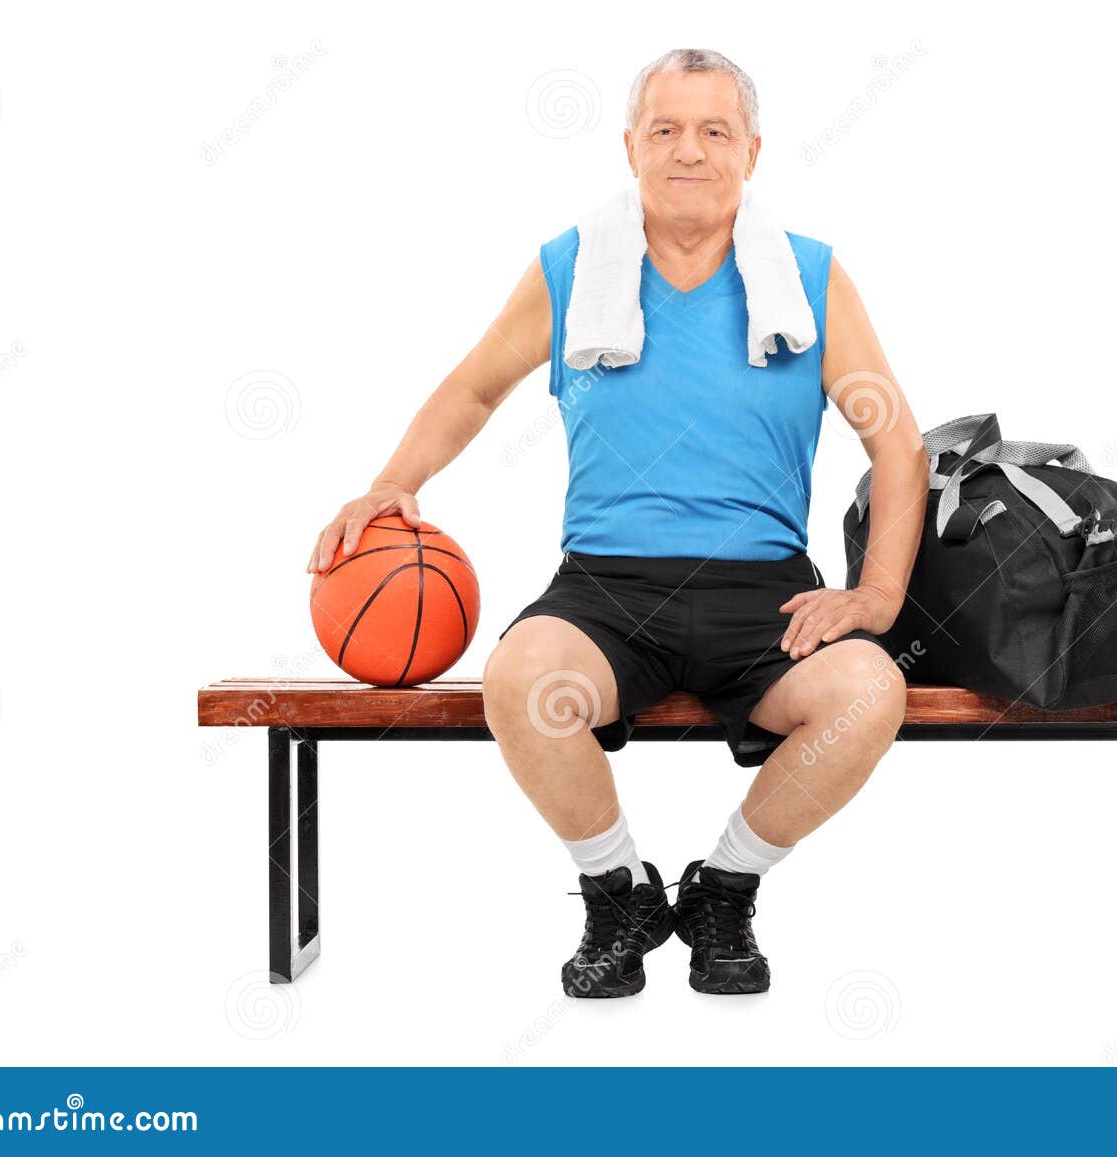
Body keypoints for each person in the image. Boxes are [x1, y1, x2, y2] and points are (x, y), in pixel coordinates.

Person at [307, 48, 927, 997]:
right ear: (631, 145)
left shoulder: (809, 275)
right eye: (667, 129)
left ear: (751, 152)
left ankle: (724, 888)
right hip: (605, 588)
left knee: (869, 689)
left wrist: (878, 595)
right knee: (521, 675)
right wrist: (392, 482)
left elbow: (896, 444)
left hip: (764, 593)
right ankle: (617, 893)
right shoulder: (572, 267)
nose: (690, 150)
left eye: (715, 131)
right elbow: (474, 386)